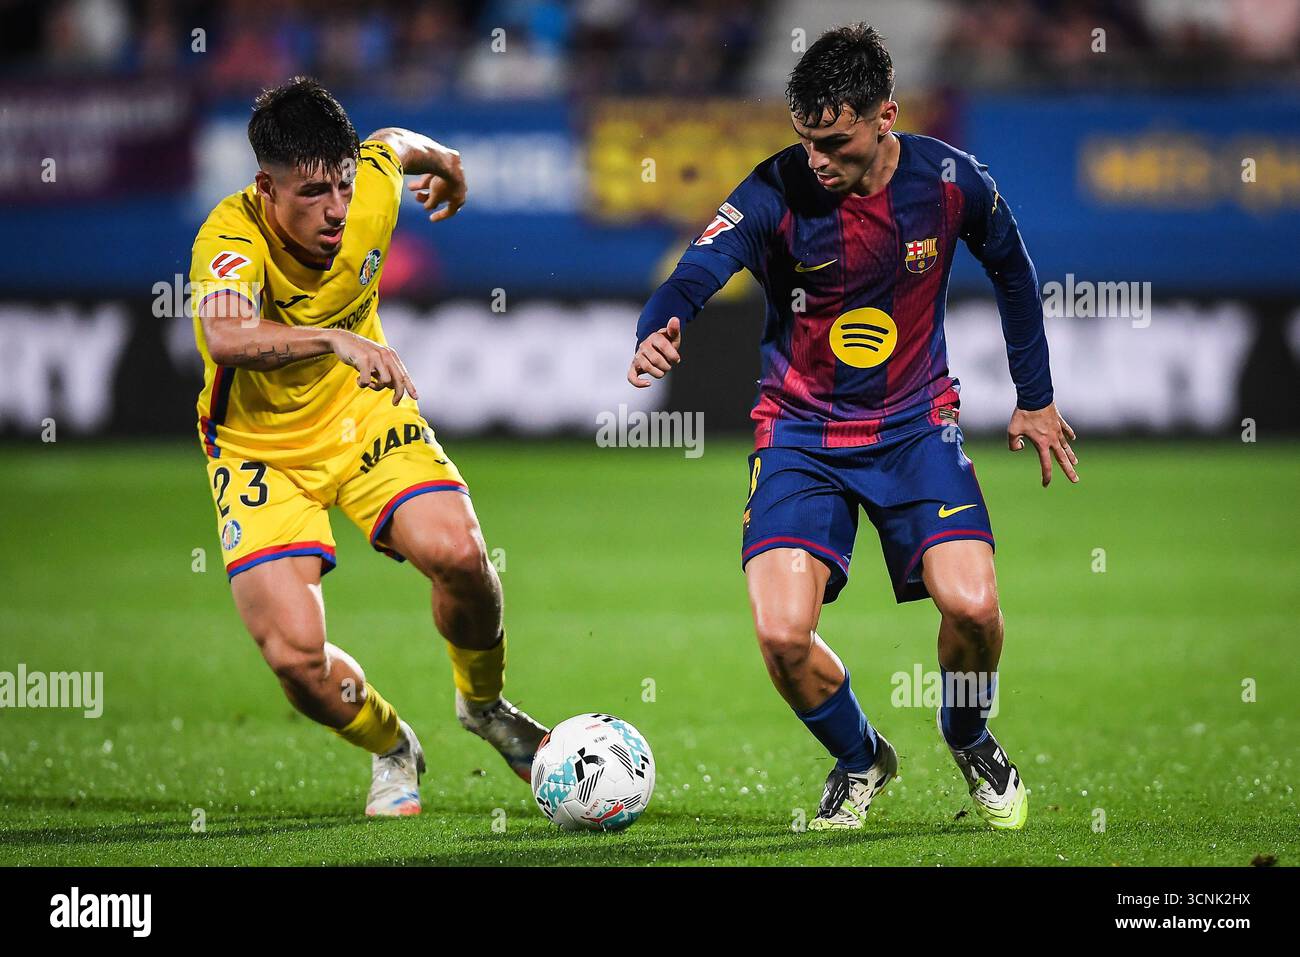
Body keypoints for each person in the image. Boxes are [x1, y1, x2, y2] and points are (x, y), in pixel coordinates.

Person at [628, 24, 1078, 830]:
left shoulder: (950, 181)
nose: (818, 161)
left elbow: (1012, 266)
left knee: (972, 607)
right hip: (799, 434)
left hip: (916, 426)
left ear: (886, 117)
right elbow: (696, 269)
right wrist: (661, 323)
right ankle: (861, 753)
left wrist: (1035, 396)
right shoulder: (774, 190)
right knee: (780, 633)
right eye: (806, 142)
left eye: (834, 143)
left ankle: (967, 730)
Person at [190, 77, 547, 817]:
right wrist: (332, 336)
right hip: (258, 449)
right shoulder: (229, 238)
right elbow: (226, 336)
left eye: (344, 185)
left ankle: (484, 705)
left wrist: (448, 161)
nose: (337, 209)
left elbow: (397, 145)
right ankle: (392, 745)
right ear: (266, 187)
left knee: (460, 554)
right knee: (293, 654)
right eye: (314, 192)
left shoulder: (372, 184)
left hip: (360, 415)